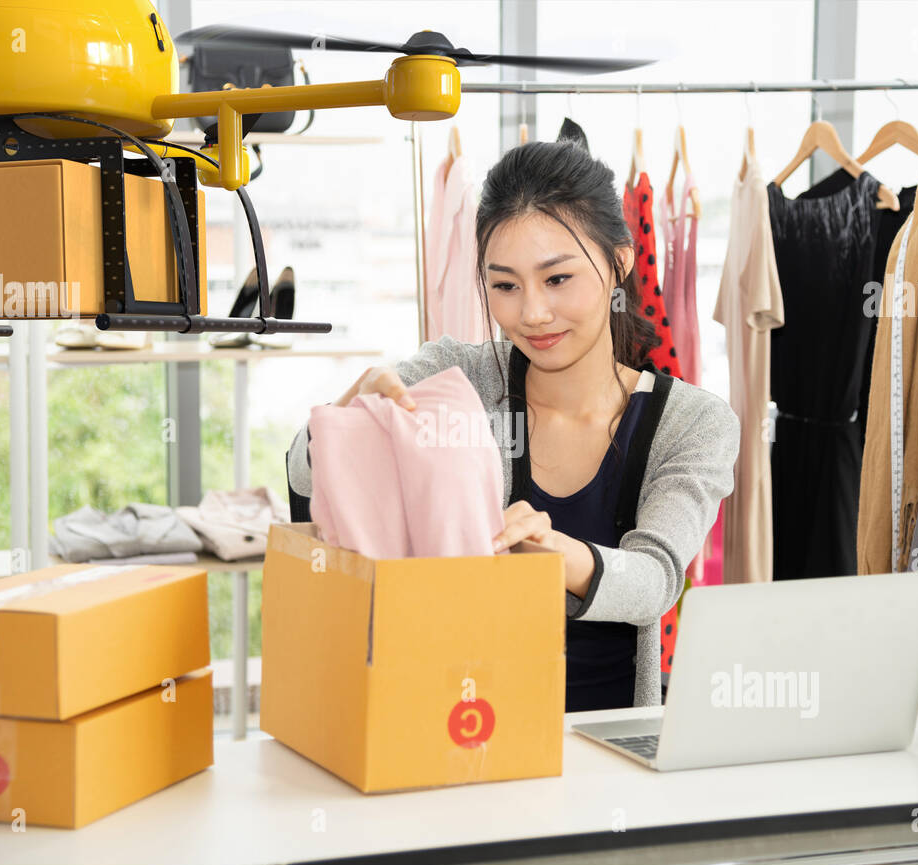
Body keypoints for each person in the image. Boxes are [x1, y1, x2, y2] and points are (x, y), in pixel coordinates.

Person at [287, 140, 739, 711]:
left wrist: (551, 548)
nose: (531, 314)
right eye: (504, 285)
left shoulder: (692, 423)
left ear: (619, 261)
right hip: (462, 724)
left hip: (609, 745)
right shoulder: (460, 378)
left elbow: (654, 581)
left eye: (557, 280)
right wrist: (346, 416)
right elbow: (304, 477)